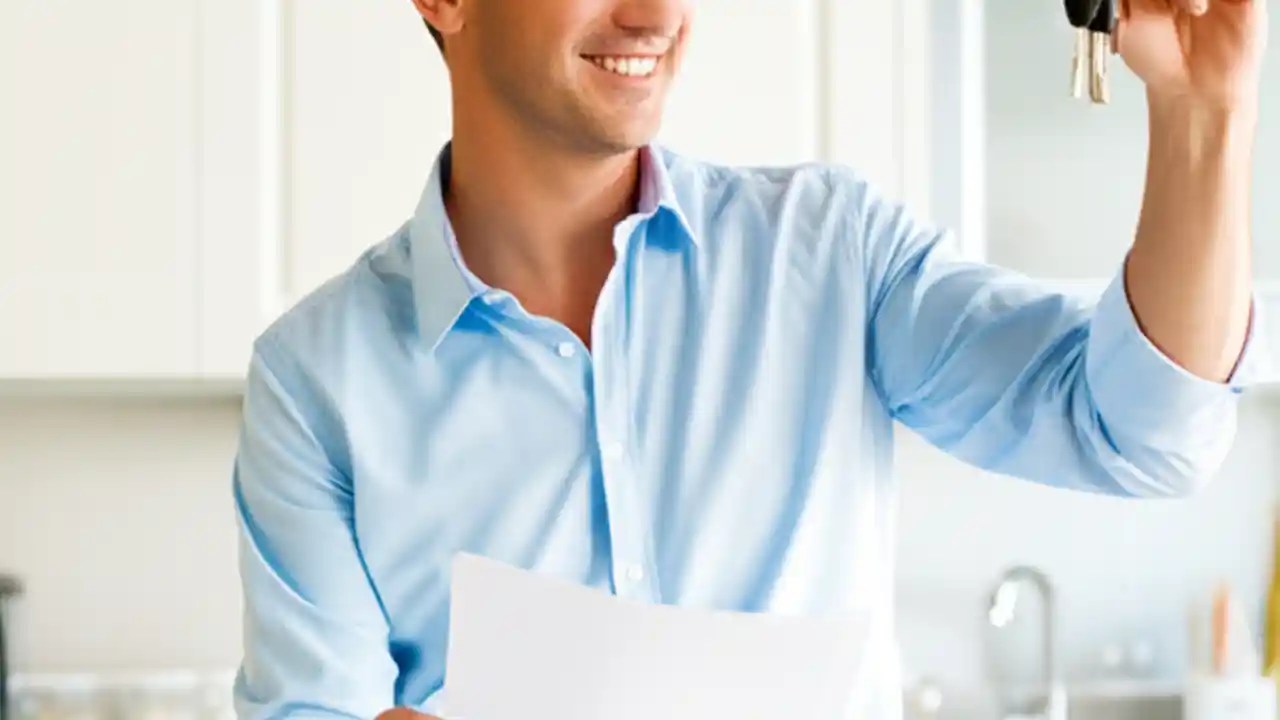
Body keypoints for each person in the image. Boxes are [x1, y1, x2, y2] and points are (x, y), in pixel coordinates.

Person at [230, 0, 1270, 717]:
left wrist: (1200, 110)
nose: (653, 14)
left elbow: (1141, 432)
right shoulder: (318, 380)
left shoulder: (829, 251)